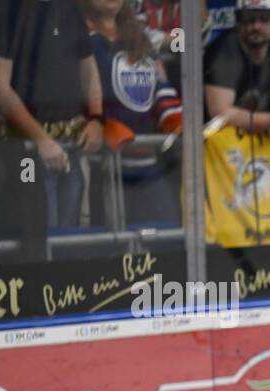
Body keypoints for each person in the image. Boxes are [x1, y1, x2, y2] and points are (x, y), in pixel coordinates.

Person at [0, 0, 104, 237]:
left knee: (70, 239)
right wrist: (41, 139)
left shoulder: (69, 9)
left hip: (71, 145)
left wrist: (97, 118)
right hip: (24, 151)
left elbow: (89, 71)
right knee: (39, 238)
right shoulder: (5, 12)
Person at [81, 0, 183, 226]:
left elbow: (159, 82)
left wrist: (174, 117)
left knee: (165, 231)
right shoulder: (78, 33)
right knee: (115, 244)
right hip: (106, 164)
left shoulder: (138, 34)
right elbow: (77, 92)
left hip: (148, 160)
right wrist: (101, 124)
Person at [204, 0, 270, 134]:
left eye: (265, 19)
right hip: (221, 137)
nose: (256, 26)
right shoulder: (222, 51)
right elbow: (220, 116)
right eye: (248, 19)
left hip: (268, 136)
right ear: (238, 23)